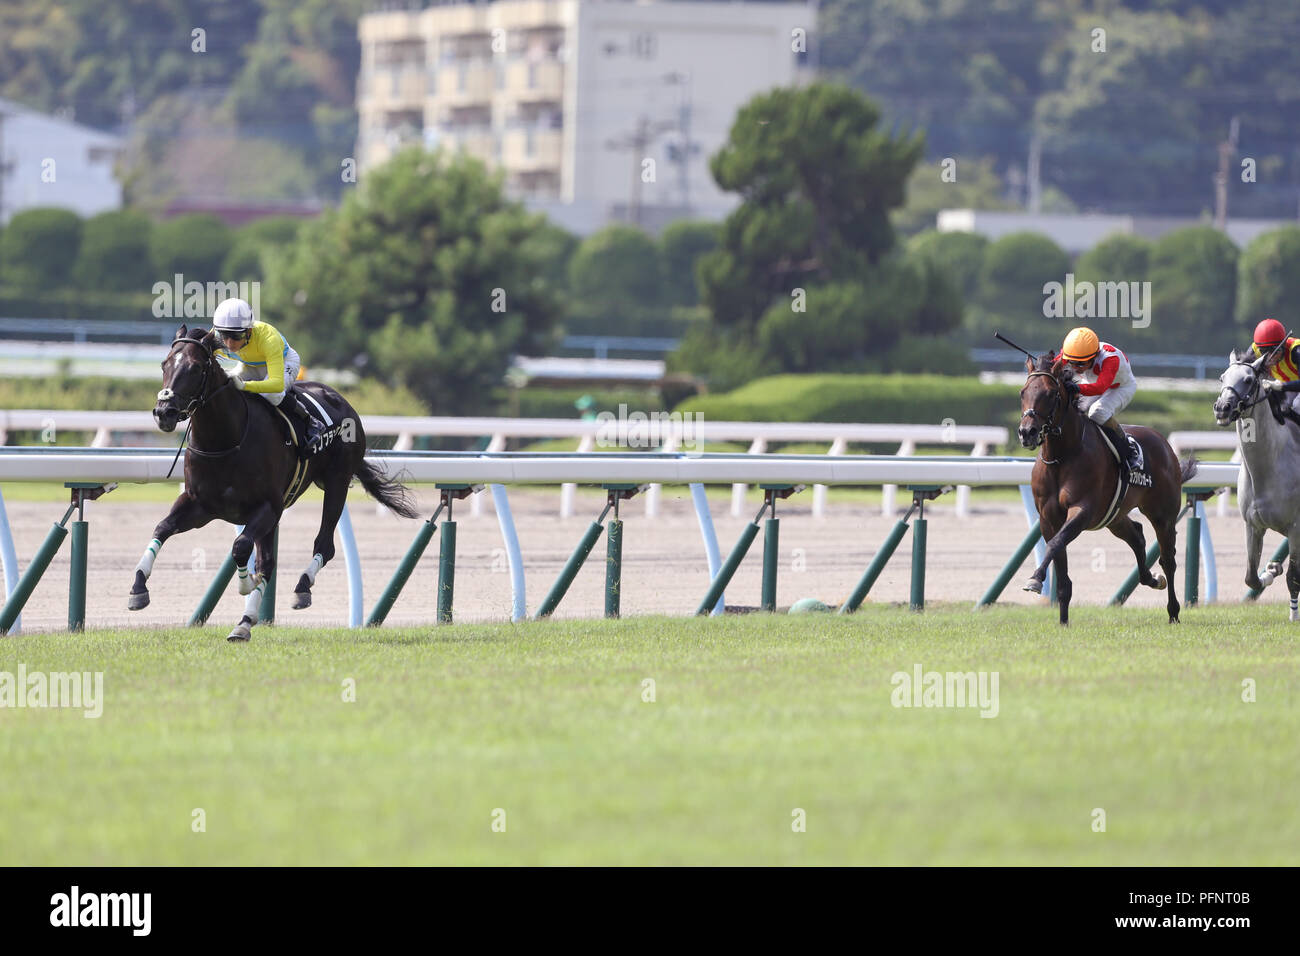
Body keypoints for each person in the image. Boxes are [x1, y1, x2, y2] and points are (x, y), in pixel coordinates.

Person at [210, 298, 325, 454]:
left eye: (236, 336)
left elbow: (276, 384)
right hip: (249, 364)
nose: (229, 344)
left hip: (284, 361)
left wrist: (245, 386)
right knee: (226, 384)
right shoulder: (216, 335)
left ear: (249, 331)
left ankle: (310, 421)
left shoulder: (269, 339)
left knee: (271, 394)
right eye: (225, 335)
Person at [1059, 326, 1141, 475]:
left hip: (1120, 388)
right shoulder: (1073, 352)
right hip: (1093, 385)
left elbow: (1100, 388)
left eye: (1081, 364)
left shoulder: (1111, 359)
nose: (1076, 368)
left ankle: (1129, 450)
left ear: (1095, 356)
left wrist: (1077, 388)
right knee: (1076, 411)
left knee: (1097, 412)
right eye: (1072, 363)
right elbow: (1054, 364)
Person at [1250, 318, 1300, 423]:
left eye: (1273, 350)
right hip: (1287, 388)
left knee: (1297, 406)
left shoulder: (1296, 351)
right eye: (1264, 351)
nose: (1269, 357)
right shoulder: (1255, 349)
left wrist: (1282, 386)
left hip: (1292, 386)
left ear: (1283, 345)